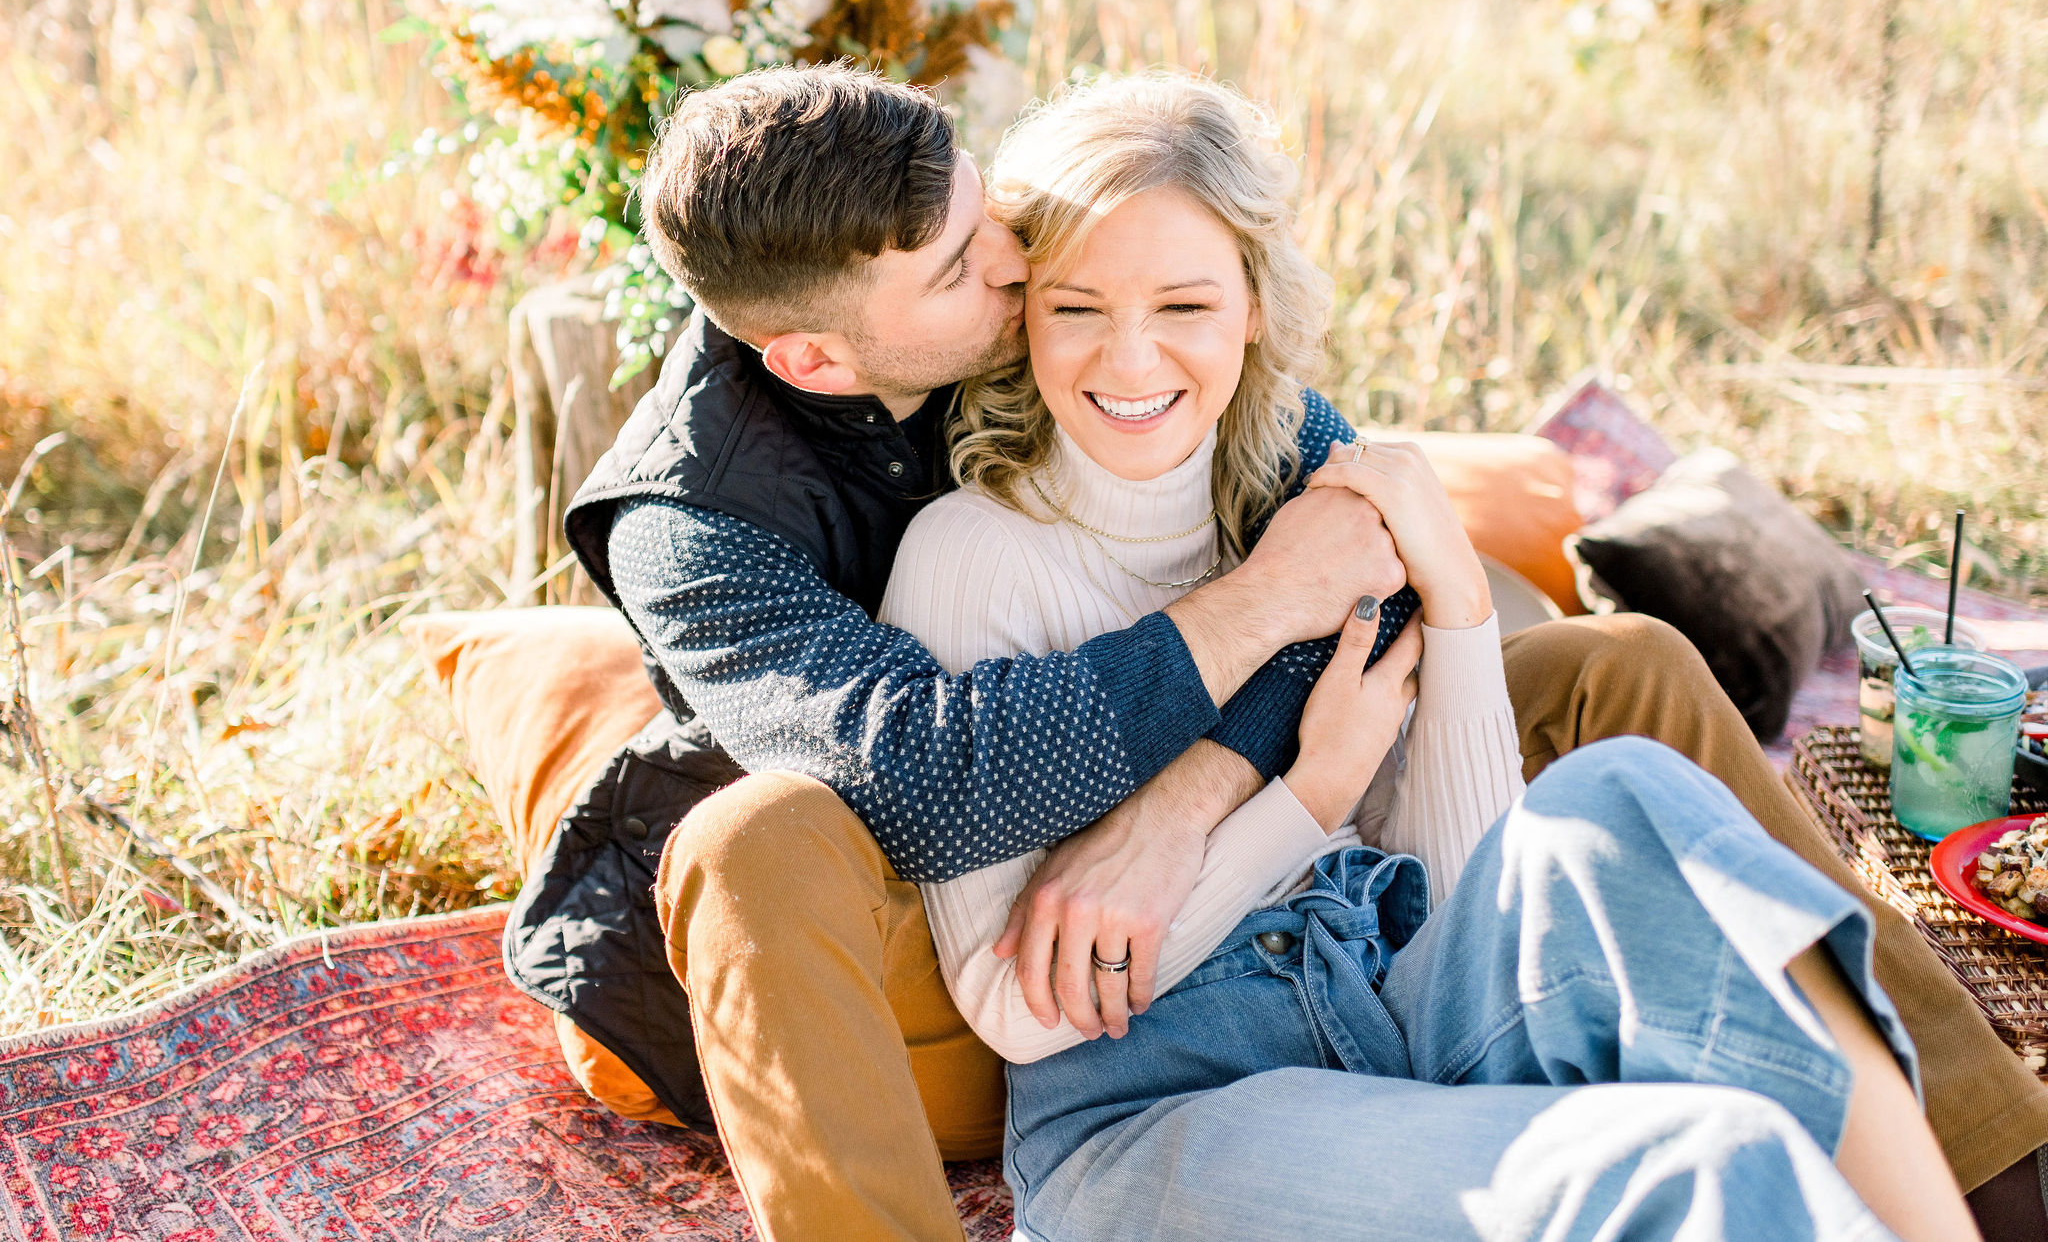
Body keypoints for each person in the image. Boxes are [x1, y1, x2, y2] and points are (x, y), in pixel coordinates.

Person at [535, 62, 2048, 1241]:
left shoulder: (1053, 281)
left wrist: (1314, 697)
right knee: (758, 841)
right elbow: (930, 781)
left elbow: (1349, 566)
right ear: (821, 352)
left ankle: (1996, 1176)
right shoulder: (697, 519)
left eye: (995, 217)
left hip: (1287, 913)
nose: (1009, 263)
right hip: (949, 921)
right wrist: (1283, 704)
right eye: (985, 273)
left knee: (1629, 688)